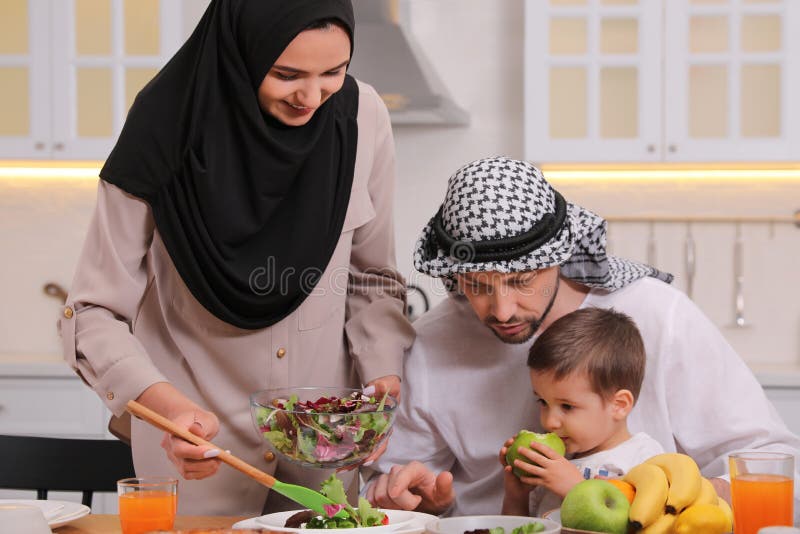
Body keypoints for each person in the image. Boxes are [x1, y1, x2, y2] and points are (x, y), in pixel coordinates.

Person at [59, 0, 414, 516]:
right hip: (197, 450)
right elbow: (91, 313)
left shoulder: (362, 117)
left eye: (333, 72)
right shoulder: (164, 125)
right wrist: (167, 410)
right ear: (241, 55)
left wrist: (382, 381)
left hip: (324, 448)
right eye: (286, 74)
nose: (311, 96)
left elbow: (373, 277)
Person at [365, 156, 800, 520]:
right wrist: (423, 504)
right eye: (475, 285)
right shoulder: (428, 344)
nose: (501, 311)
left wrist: (656, 503)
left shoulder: (655, 313)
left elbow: (772, 462)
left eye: (521, 281)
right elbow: (393, 493)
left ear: (559, 256)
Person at [500, 307, 663, 517]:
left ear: (619, 405)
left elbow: (648, 526)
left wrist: (575, 489)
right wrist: (516, 495)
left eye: (567, 406)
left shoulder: (644, 459)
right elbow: (522, 530)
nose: (550, 422)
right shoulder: (554, 461)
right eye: (542, 401)